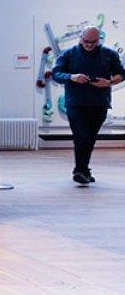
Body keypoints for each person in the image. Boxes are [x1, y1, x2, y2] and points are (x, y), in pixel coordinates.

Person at [52, 26, 124, 184]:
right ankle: (80, 171)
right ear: (80, 37)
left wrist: (110, 81)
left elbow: (122, 74)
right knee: (81, 136)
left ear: (99, 40)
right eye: (86, 41)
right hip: (75, 103)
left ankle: (83, 170)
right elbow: (56, 74)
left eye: (93, 42)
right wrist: (72, 77)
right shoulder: (69, 54)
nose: (90, 44)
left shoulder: (109, 54)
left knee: (89, 138)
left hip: (100, 103)